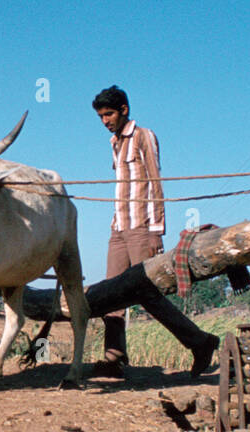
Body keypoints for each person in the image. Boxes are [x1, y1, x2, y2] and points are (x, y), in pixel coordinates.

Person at [92, 85, 219, 379]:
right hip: (118, 228)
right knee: (109, 295)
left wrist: (155, 231)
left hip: (141, 227)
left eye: (109, 114)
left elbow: (155, 182)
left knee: (148, 294)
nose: (105, 120)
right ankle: (114, 357)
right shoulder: (114, 142)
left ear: (124, 109)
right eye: (100, 116)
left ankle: (200, 342)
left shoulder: (143, 136)